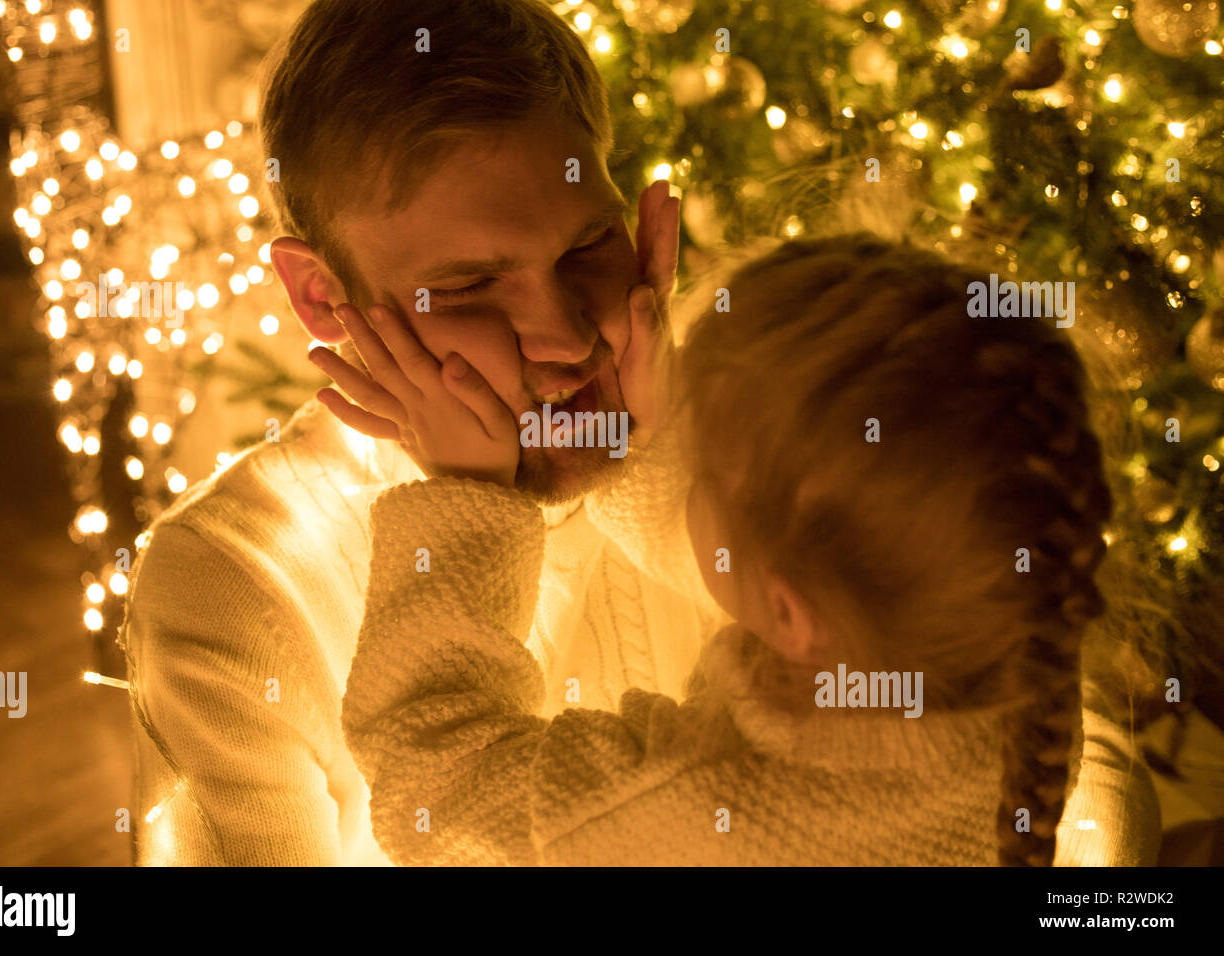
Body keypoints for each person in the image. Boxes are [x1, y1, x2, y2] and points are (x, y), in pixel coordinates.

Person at [333, 234, 1162, 865]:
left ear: (787, 611)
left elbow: (434, 780)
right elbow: (752, 558)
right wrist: (630, 441)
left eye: (701, 462)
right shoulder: (1003, 664)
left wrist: (465, 502)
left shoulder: (700, 812)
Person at [120, 0, 717, 865]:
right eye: (473, 286)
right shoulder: (232, 585)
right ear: (323, 298)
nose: (569, 340)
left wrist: (660, 463)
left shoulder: (759, 441)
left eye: (590, 246)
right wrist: (469, 514)